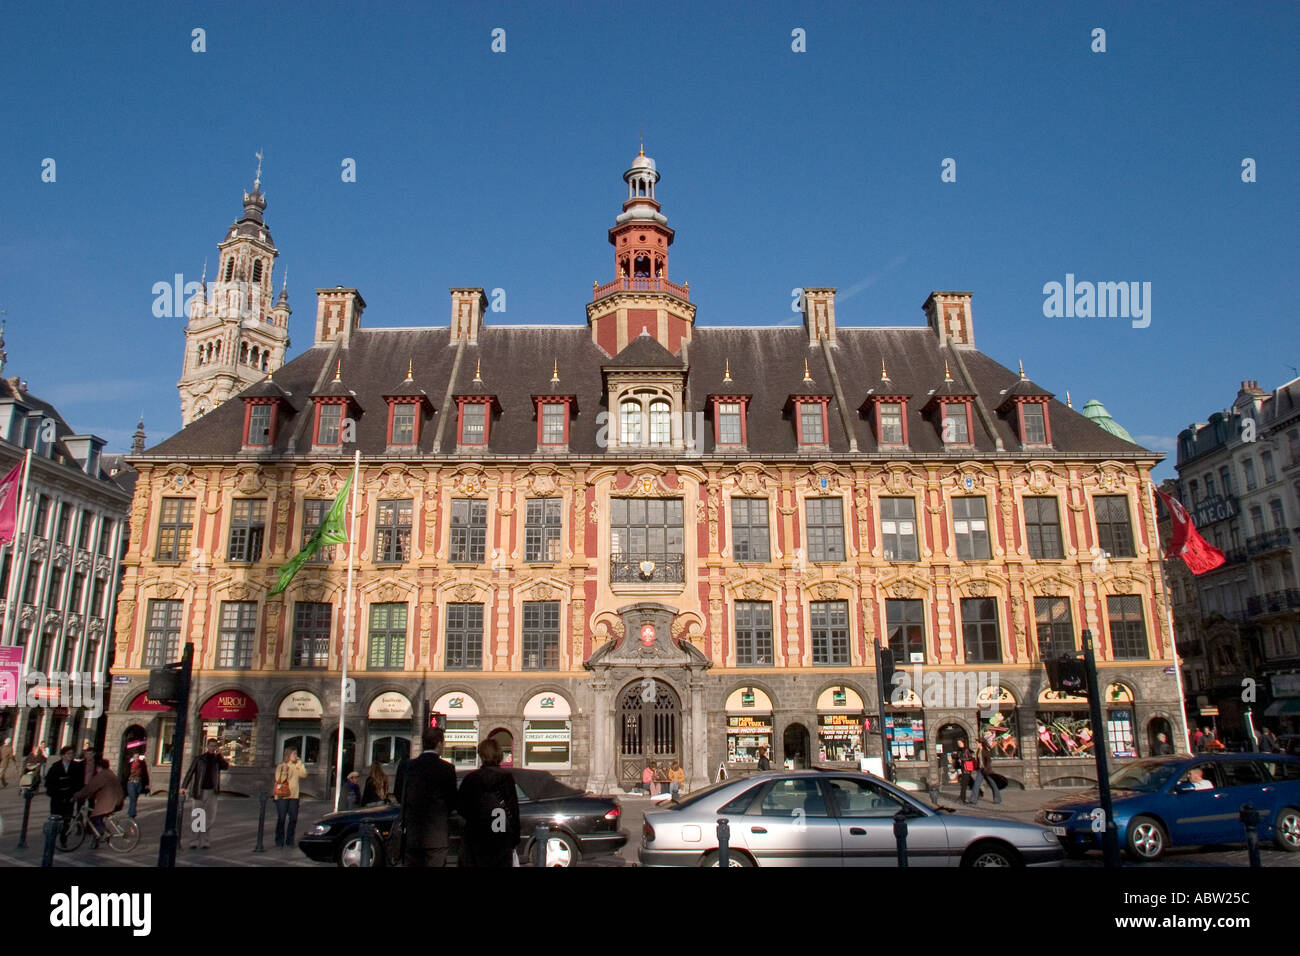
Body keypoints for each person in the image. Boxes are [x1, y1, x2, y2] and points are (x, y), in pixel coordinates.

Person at [394, 725, 458, 867]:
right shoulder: (447, 769)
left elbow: (399, 795)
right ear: (439, 744)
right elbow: (453, 801)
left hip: (413, 834)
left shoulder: (407, 766)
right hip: (437, 835)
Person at [456, 737, 520, 867]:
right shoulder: (506, 778)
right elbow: (513, 810)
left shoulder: (471, 778)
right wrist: (514, 839)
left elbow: (461, 807)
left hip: (476, 837)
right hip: (500, 835)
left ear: (481, 755)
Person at [180, 738, 229, 849]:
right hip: (199, 790)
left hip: (212, 791)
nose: (212, 748)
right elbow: (190, 772)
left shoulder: (217, 760)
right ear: (207, 746)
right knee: (197, 815)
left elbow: (225, 766)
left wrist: (220, 756)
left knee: (209, 817)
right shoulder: (199, 759)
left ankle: (205, 840)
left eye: (214, 746)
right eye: (211, 746)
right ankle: (194, 840)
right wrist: (184, 786)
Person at [74, 758, 124, 847]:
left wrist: (77, 795)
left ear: (99, 767)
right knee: (98, 818)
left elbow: (90, 788)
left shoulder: (102, 775)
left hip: (109, 801)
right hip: (117, 800)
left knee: (95, 818)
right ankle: (95, 841)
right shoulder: (110, 773)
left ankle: (104, 833)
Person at [44, 746, 84, 847]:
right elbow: (49, 782)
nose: (71, 756)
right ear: (63, 755)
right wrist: (53, 793)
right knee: (55, 819)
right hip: (57, 798)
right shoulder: (55, 767)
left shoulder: (76, 767)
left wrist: (74, 794)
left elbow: (79, 782)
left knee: (67, 819)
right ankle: (52, 839)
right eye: (68, 754)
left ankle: (63, 839)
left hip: (69, 798)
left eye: (72, 754)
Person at [272, 746, 308, 849]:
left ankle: (289, 840)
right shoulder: (281, 766)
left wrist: (300, 763)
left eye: (296, 754)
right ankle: (279, 841)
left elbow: (303, 774)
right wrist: (284, 771)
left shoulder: (297, 765)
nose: (296, 756)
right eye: (294, 754)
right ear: (288, 755)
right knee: (282, 818)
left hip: (294, 796)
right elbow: (280, 780)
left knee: (293, 818)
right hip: (282, 796)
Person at [969, 738, 1002, 805]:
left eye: (977, 743)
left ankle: (997, 799)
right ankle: (973, 800)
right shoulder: (978, 750)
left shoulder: (985, 750)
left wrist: (987, 768)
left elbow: (989, 761)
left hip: (986, 770)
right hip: (980, 770)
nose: (976, 744)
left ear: (981, 743)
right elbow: (979, 760)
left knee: (992, 784)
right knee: (976, 784)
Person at [125, 751, 150, 817]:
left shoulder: (142, 764)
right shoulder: (130, 764)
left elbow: (145, 773)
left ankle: (131, 810)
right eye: (135, 756)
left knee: (135, 798)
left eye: (137, 756)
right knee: (132, 797)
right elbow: (126, 773)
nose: (136, 758)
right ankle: (132, 813)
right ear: (133, 757)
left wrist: (147, 783)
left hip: (139, 782)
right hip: (131, 782)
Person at [952, 739, 975, 804]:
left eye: (960, 742)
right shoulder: (959, 750)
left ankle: (963, 798)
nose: (959, 744)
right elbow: (957, 757)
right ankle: (962, 797)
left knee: (964, 784)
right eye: (958, 743)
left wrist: (961, 760)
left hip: (966, 769)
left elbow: (970, 758)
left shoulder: (966, 749)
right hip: (962, 768)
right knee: (966, 783)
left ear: (963, 742)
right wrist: (955, 755)